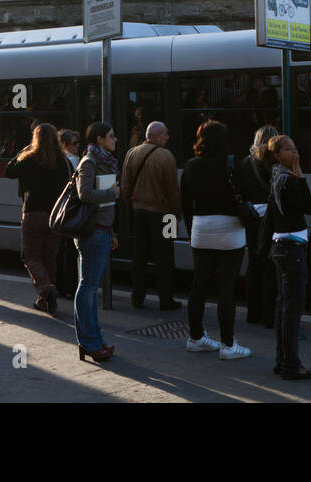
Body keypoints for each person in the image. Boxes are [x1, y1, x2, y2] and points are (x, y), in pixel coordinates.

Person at [179, 120, 251, 359]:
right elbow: (245, 195)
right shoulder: (233, 164)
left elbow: (185, 204)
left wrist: (191, 232)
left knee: (199, 285)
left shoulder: (190, 166)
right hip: (230, 227)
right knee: (226, 288)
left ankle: (196, 337)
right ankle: (228, 344)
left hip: (200, 227)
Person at [264, 134, 311, 380]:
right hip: (291, 249)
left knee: (284, 307)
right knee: (292, 308)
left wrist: (305, 195)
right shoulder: (287, 179)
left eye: (295, 148)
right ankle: (291, 364)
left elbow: (300, 206)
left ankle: (283, 361)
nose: (295, 153)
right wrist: (300, 174)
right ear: (277, 155)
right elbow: (306, 209)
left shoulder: (278, 177)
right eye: (288, 149)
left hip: (283, 247)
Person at [5, 122, 72, 313]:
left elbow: (9, 171)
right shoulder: (63, 161)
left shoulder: (29, 158)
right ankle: (45, 299)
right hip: (56, 215)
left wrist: (21, 152)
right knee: (48, 256)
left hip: (33, 213)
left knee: (30, 256)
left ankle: (46, 289)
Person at [122, 120, 181, 311]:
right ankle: (166, 299)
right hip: (165, 215)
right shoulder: (167, 156)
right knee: (166, 256)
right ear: (155, 136)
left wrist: (131, 205)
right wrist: (176, 214)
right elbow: (173, 190)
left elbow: (125, 186)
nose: (167, 137)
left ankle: (137, 297)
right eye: (165, 134)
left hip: (139, 212)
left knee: (139, 255)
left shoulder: (131, 153)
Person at [74, 122, 121, 362]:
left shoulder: (102, 161)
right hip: (92, 232)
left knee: (90, 287)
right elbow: (84, 194)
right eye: (112, 136)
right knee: (89, 288)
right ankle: (90, 342)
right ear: (100, 139)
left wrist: (111, 231)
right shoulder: (90, 162)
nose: (116, 139)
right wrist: (110, 193)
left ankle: (94, 340)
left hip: (102, 230)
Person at [240, 125, 279, 326]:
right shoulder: (275, 163)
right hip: (271, 219)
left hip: (252, 217)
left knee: (254, 264)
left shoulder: (245, 163)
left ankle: (252, 313)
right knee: (270, 265)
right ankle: (269, 316)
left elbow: (240, 191)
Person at [55, 128, 82, 298]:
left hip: (62, 210)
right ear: (64, 144)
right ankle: (70, 287)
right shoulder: (72, 160)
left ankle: (61, 285)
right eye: (74, 143)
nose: (77, 146)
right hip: (71, 209)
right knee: (70, 249)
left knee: (62, 248)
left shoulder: (58, 160)